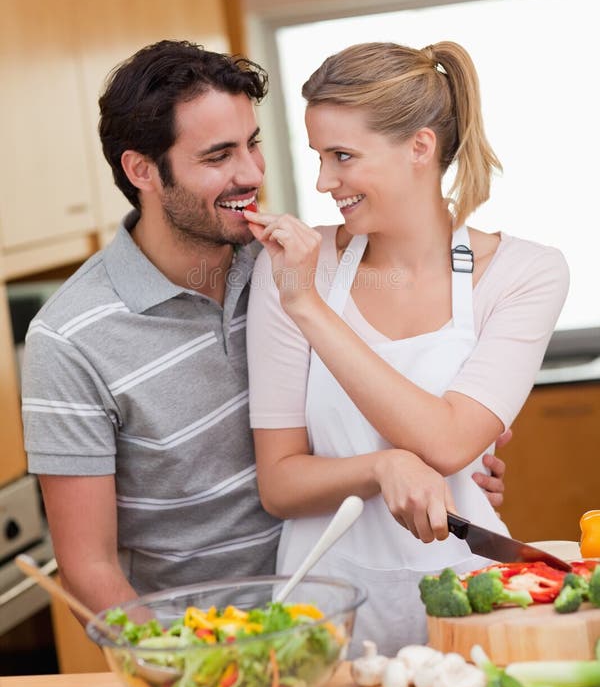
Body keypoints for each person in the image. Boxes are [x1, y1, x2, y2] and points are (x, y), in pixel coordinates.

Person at [21, 39, 507, 615]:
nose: (250, 174)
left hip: (333, 610)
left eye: (253, 145)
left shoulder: (292, 265)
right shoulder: (70, 339)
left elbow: (394, 396)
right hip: (203, 639)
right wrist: (179, 662)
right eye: (217, 156)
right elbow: (89, 566)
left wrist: (458, 470)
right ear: (142, 170)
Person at [245, 40, 569, 655]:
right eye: (318, 156)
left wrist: (310, 308)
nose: (323, 182)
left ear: (420, 147)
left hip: (472, 599)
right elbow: (280, 484)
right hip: (323, 610)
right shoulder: (291, 267)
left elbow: (448, 442)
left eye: (343, 156)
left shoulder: (526, 273)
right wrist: (380, 466)